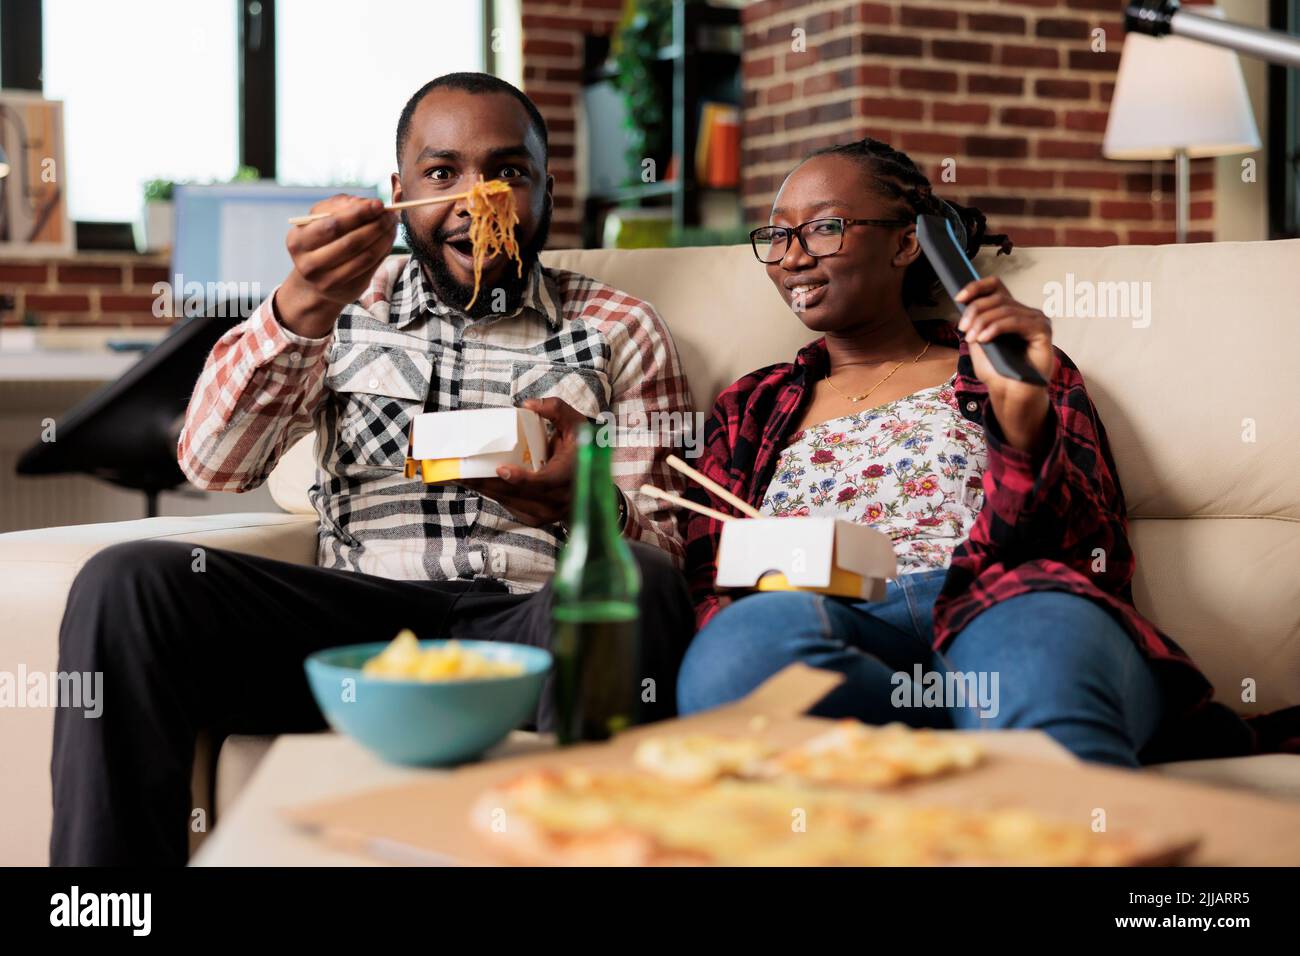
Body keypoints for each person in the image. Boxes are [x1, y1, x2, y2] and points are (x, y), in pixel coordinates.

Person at [50, 73, 695, 866]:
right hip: (355, 627)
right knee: (129, 579)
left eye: (507, 173)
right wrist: (304, 306)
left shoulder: (621, 328)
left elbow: (673, 548)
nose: (474, 197)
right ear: (396, 192)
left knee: (636, 579)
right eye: (441, 173)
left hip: (531, 627)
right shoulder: (345, 303)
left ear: (545, 188)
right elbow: (212, 464)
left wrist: (584, 504)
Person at [675, 137, 1218, 769]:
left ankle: (1028, 785)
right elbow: (710, 579)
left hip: (997, 609)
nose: (791, 257)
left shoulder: (1003, 363)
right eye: (777, 235)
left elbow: (1090, 551)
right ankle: (944, 749)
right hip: (836, 634)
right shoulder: (751, 406)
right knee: (738, 653)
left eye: (824, 229)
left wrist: (1020, 423)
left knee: (1037, 649)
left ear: (907, 243)